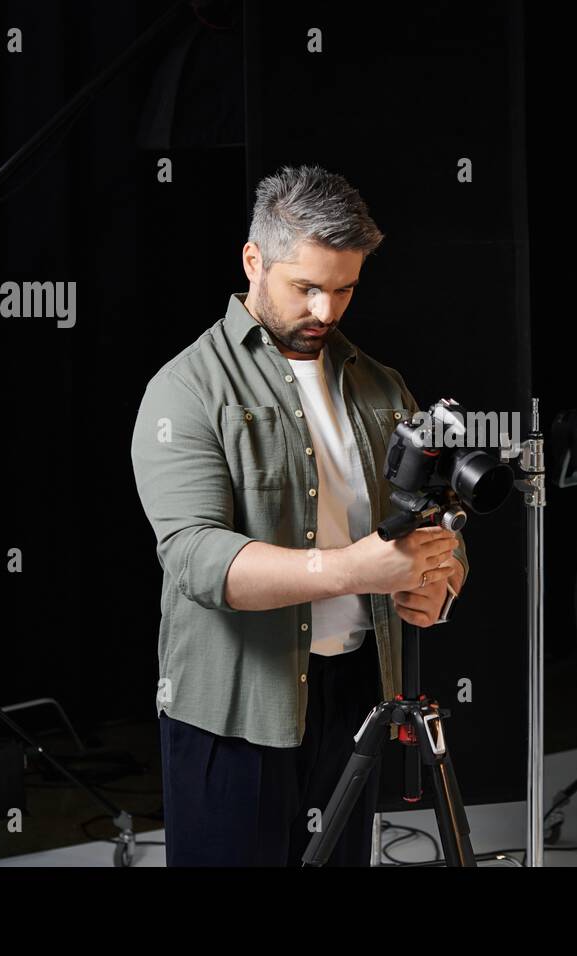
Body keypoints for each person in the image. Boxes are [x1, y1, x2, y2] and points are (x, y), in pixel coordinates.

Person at [130, 164, 468, 866]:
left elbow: (440, 519)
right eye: (305, 287)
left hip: (356, 699)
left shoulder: (382, 384)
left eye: (343, 289)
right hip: (234, 707)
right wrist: (356, 569)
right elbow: (197, 559)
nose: (326, 310)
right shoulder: (185, 389)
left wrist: (441, 580)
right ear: (254, 261)